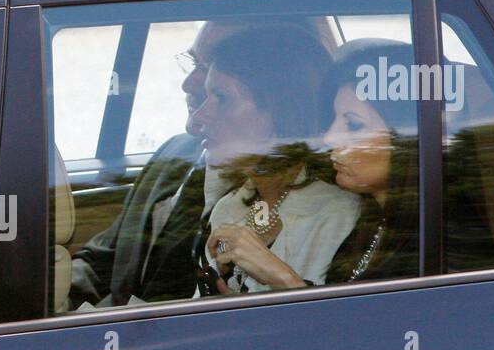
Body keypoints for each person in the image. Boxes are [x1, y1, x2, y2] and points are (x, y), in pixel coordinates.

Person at [70, 18, 337, 308]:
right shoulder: (180, 159)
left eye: (220, 93)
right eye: (194, 62)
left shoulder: (336, 215)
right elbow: (104, 260)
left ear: (277, 105)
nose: (188, 84)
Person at [205, 41, 420, 289]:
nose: (329, 137)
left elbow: (355, 325)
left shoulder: (440, 239)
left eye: (353, 125)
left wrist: (279, 276)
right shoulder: (374, 224)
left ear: (409, 138)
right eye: (333, 119)